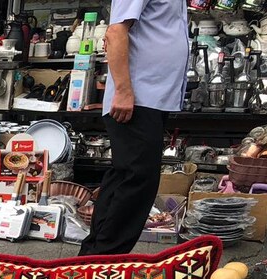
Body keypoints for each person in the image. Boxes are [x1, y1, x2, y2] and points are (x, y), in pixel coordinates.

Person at [80, 1, 188, 256]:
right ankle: (106, 258)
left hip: (151, 97)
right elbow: (115, 32)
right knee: (137, 179)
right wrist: (124, 90)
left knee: (127, 176)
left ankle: (95, 258)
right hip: (138, 96)